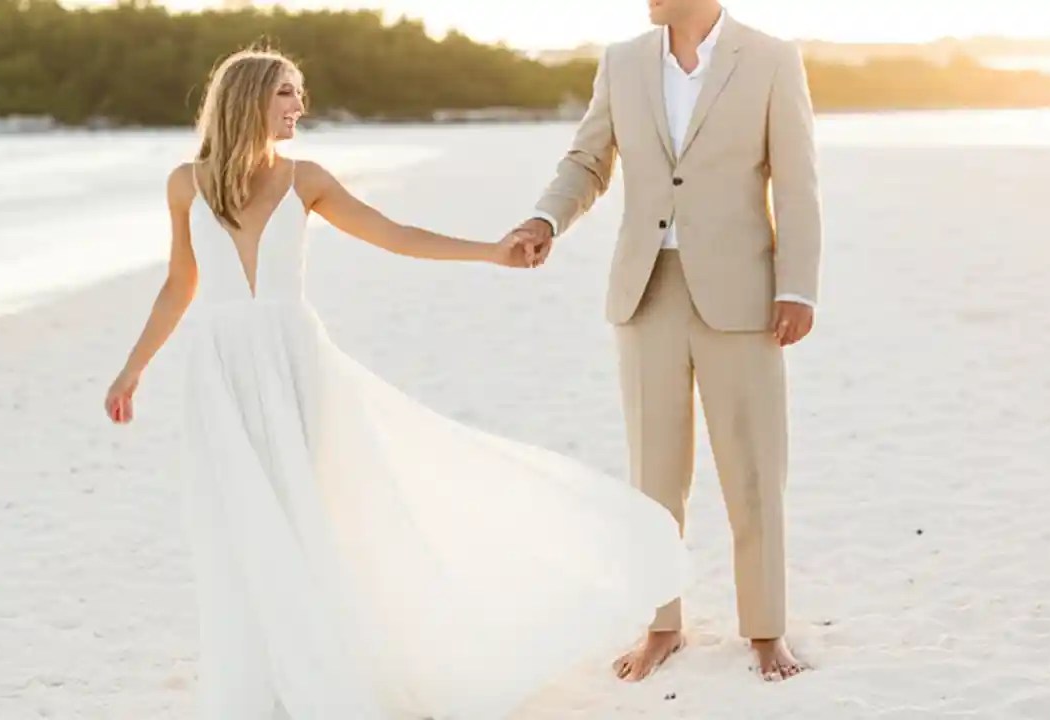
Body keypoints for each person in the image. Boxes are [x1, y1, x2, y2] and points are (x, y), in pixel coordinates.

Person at [103, 48, 686, 719]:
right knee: (235, 522)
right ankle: (259, 680)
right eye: (286, 93)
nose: (299, 106)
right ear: (248, 99)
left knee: (302, 511)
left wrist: (489, 252)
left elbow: (394, 235)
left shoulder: (306, 179)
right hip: (220, 368)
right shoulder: (186, 184)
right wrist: (134, 366)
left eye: (299, 93)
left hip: (292, 359)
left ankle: (319, 671)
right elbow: (182, 284)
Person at [506, 0, 822, 683]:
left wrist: (798, 287)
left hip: (743, 293)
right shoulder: (622, 62)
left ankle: (766, 630)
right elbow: (587, 161)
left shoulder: (770, 58)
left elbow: (796, 184)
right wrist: (544, 219)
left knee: (754, 468)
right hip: (645, 288)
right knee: (654, 472)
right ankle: (662, 624)